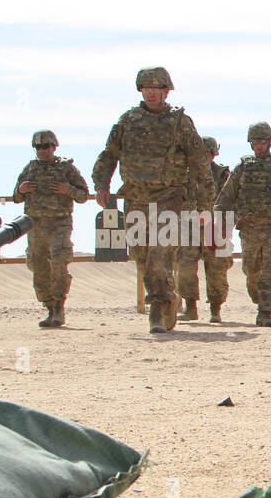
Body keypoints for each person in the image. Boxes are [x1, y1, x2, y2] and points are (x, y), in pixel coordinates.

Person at [92, 66, 215, 333]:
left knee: (160, 256)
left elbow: (199, 166)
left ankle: (160, 307)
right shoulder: (127, 121)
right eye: (145, 88)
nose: (150, 93)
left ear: (166, 91)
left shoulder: (180, 122)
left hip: (170, 198)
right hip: (135, 198)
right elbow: (108, 154)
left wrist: (205, 206)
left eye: (155, 88)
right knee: (142, 256)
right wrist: (102, 184)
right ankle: (168, 300)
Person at [214, 122, 271, 326]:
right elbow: (226, 197)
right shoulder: (242, 169)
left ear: (270, 142)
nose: (259, 146)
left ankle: (265, 311)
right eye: (255, 142)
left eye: (262, 142)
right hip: (248, 228)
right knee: (251, 269)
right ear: (251, 144)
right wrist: (218, 220)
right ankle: (259, 297)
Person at [11, 130, 90, 327]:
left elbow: (83, 195)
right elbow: (15, 196)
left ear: (54, 146)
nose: (42, 151)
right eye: (38, 147)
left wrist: (67, 189)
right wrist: (21, 190)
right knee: (39, 267)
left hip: (59, 224)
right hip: (36, 226)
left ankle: (58, 308)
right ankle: (49, 306)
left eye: (46, 146)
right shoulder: (29, 169)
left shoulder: (66, 168)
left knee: (59, 262)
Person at [177, 136, 232, 321]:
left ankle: (215, 310)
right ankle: (190, 308)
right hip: (187, 225)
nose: (205, 156)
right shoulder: (184, 173)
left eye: (208, 153)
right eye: (202, 152)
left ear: (214, 154)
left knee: (216, 267)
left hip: (213, 226)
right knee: (185, 266)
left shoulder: (222, 174)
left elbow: (230, 199)